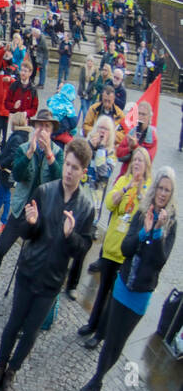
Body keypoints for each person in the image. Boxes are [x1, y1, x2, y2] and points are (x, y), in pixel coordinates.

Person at [0, 138, 95, 391]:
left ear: (84, 172)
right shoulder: (45, 192)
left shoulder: (87, 208)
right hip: (29, 271)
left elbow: (81, 251)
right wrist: (31, 224)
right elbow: (28, 233)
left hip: (52, 281)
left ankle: (11, 374)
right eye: (67, 164)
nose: (68, 171)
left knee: (31, 332)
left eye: (75, 167)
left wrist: (70, 237)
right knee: (13, 323)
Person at [0, 108, 64, 311]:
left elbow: (59, 181)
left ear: (51, 131)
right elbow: (17, 174)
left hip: (43, 215)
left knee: (33, 259)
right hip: (20, 210)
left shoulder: (58, 153)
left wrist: (48, 155)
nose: (42, 130)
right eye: (39, 125)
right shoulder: (24, 147)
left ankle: (24, 300)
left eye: (46, 127)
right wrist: (30, 153)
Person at [77, 147, 151, 349]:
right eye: (134, 160)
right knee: (102, 290)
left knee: (112, 296)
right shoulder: (123, 181)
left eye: (140, 161)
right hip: (111, 245)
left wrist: (139, 194)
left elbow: (145, 214)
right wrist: (126, 189)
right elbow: (110, 203)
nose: (136, 164)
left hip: (126, 253)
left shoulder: (148, 189)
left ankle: (100, 334)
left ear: (146, 166)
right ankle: (91, 324)